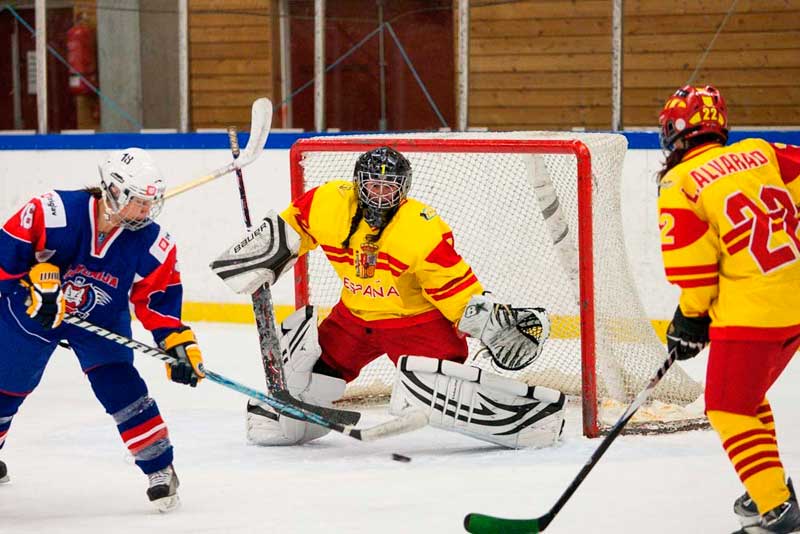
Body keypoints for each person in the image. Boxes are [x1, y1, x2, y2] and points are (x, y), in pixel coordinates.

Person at [212, 146, 564, 449]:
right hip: (353, 318)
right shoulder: (329, 203)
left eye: (388, 188)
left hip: (416, 323)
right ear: (357, 183)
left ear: (404, 190)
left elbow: (454, 288)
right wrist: (260, 254)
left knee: (440, 390)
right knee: (307, 376)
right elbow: (294, 226)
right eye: (373, 186)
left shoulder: (419, 229)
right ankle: (297, 416)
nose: (379, 195)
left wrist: (490, 324)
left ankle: (528, 418)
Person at [0, 148, 205, 512]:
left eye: (150, 203)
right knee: (8, 382)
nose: (147, 211)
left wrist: (175, 339)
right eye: (140, 203)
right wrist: (31, 282)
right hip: (34, 309)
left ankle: (160, 468)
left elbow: (158, 297)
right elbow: (5, 259)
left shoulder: (151, 242)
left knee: (121, 387)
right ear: (113, 191)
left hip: (100, 319)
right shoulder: (53, 212)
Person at [657, 85, 800, 533]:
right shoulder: (764, 152)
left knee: (726, 406)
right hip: (793, 303)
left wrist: (689, 318)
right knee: (745, 398)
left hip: (752, 313)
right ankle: (766, 484)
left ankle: (776, 509)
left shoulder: (680, 183)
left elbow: (695, 270)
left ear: (678, 133)